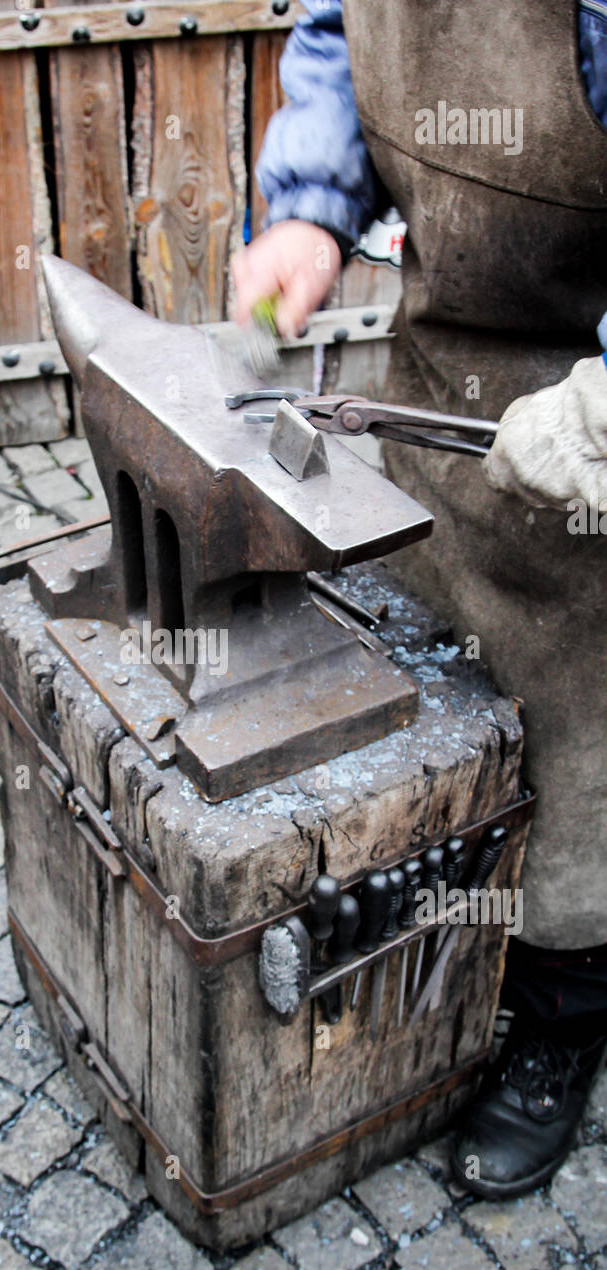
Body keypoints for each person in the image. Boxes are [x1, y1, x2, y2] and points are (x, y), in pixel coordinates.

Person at [234, 0, 607, 1198]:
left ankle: (562, 1012)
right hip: (442, 383)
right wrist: (310, 207)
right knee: (438, 690)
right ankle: (438, 947)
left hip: (583, 409)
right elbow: (346, 36)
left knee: (580, 753)